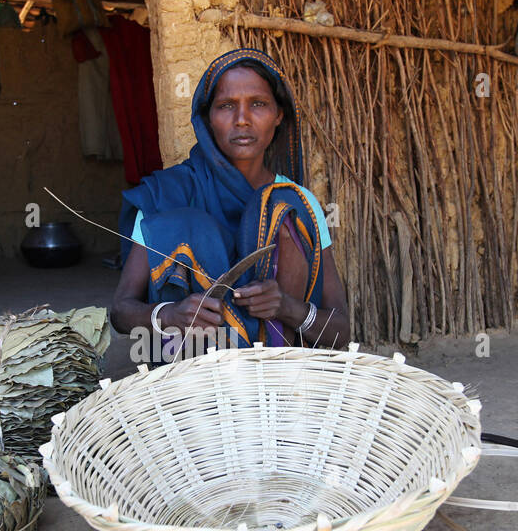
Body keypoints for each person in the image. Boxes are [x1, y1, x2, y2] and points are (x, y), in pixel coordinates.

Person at [110, 48, 348, 358]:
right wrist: (170, 314)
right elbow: (120, 312)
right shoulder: (167, 195)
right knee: (188, 225)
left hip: (279, 379)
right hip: (191, 377)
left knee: (282, 207)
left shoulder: (298, 206)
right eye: (226, 106)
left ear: (279, 115)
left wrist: (287, 308)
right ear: (208, 119)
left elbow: (341, 329)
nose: (242, 120)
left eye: (258, 104)